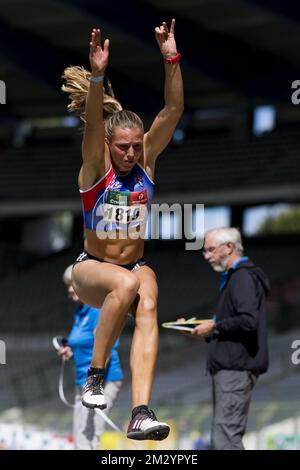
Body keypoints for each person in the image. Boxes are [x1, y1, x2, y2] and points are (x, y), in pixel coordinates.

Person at [61, 19, 183, 440]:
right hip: (92, 268)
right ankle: (96, 376)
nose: (132, 153)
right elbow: (94, 124)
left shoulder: (146, 160)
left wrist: (170, 58)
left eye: (136, 146)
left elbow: (173, 111)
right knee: (127, 287)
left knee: (147, 300)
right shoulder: (96, 167)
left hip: (135, 264)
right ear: (109, 146)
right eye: (123, 147)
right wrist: (97, 76)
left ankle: (141, 413)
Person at [184, 227, 270, 450]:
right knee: (223, 437)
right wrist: (198, 328)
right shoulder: (235, 277)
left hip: (236, 368)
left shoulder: (242, 277)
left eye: (211, 250)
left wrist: (214, 327)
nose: (206, 256)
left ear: (229, 247)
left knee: (225, 438)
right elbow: (232, 325)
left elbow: (248, 321)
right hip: (231, 367)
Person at [58, 265, 123, 450]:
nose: (69, 289)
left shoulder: (98, 310)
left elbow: (106, 348)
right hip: (82, 382)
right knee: (81, 436)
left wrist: (95, 384)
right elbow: (85, 344)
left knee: (89, 436)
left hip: (101, 382)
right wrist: (70, 352)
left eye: (73, 284)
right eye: (68, 285)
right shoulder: (80, 312)